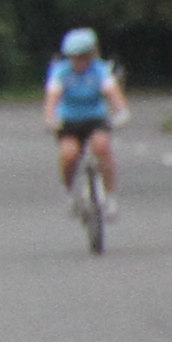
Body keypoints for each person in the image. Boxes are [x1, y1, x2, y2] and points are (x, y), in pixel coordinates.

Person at [45, 27, 124, 209]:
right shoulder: (61, 72)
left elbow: (113, 94)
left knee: (102, 146)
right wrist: (50, 118)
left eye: (83, 56)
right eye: (74, 57)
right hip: (69, 121)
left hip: (95, 118)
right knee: (69, 155)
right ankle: (69, 190)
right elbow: (53, 98)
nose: (79, 61)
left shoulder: (100, 70)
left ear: (91, 55)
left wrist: (121, 112)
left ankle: (110, 196)